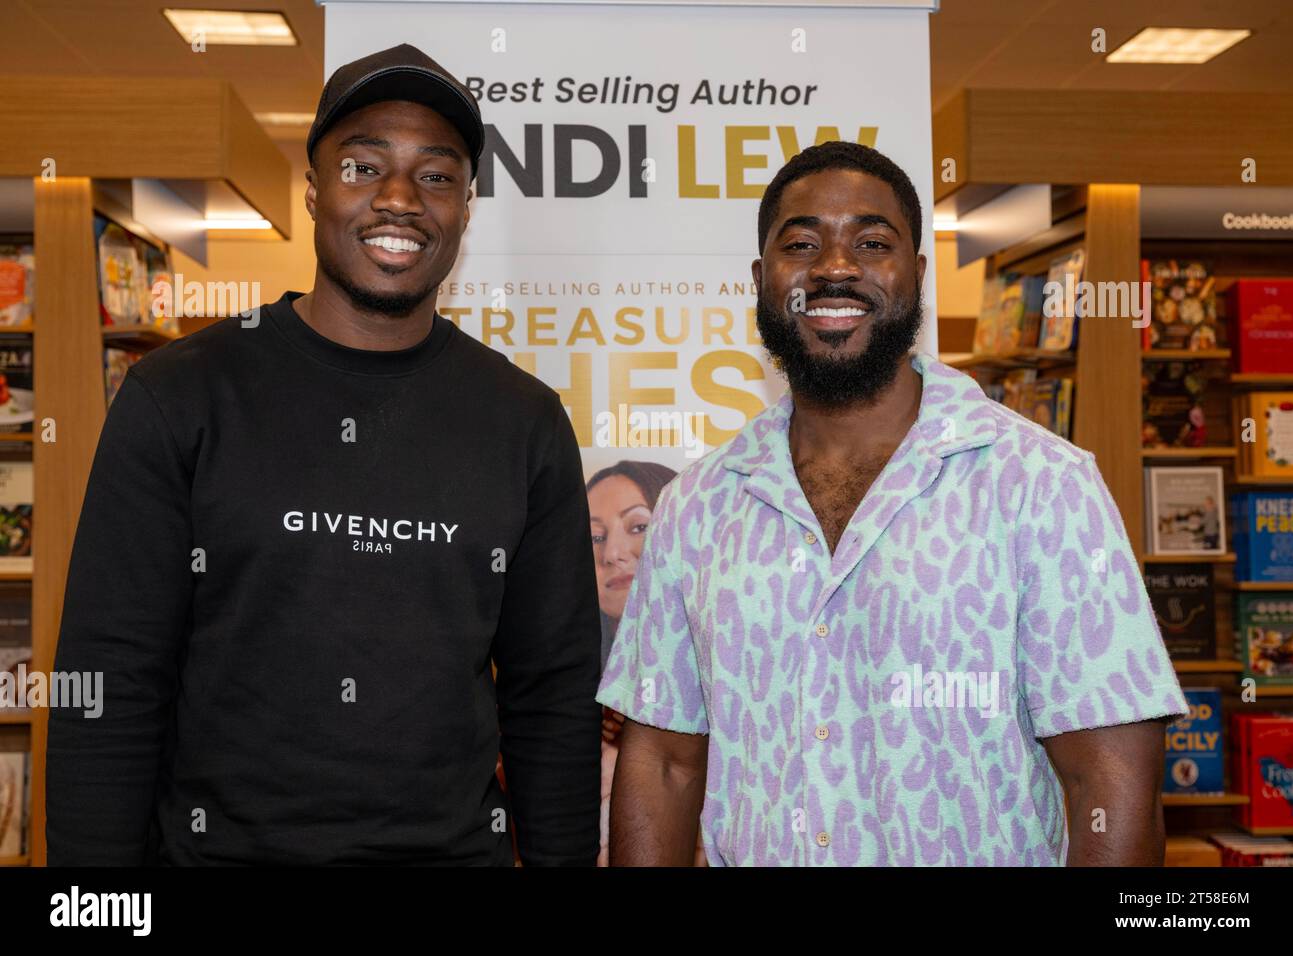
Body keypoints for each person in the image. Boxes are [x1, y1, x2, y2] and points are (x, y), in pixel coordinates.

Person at [47, 44, 602, 866]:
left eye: (437, 175)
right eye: (363, 165)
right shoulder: (181, 395)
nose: (400, 199)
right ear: (313, 190)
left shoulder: (524, 420)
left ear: (466, 208)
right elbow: (109, 683)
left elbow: (550, 698)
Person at [597, 141, 1189, 866]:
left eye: (872, 242)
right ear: (762, 279)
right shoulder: (696, 506)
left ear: (916, 273)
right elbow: (663, 761)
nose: (835, 267)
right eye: (803, 243)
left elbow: (1110, 774)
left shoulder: (1043, 485)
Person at [584, 460, 689, 866]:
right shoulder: (552, 691)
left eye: (638, 527)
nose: (612, 554)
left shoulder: (730, 671)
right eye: (594, 537)